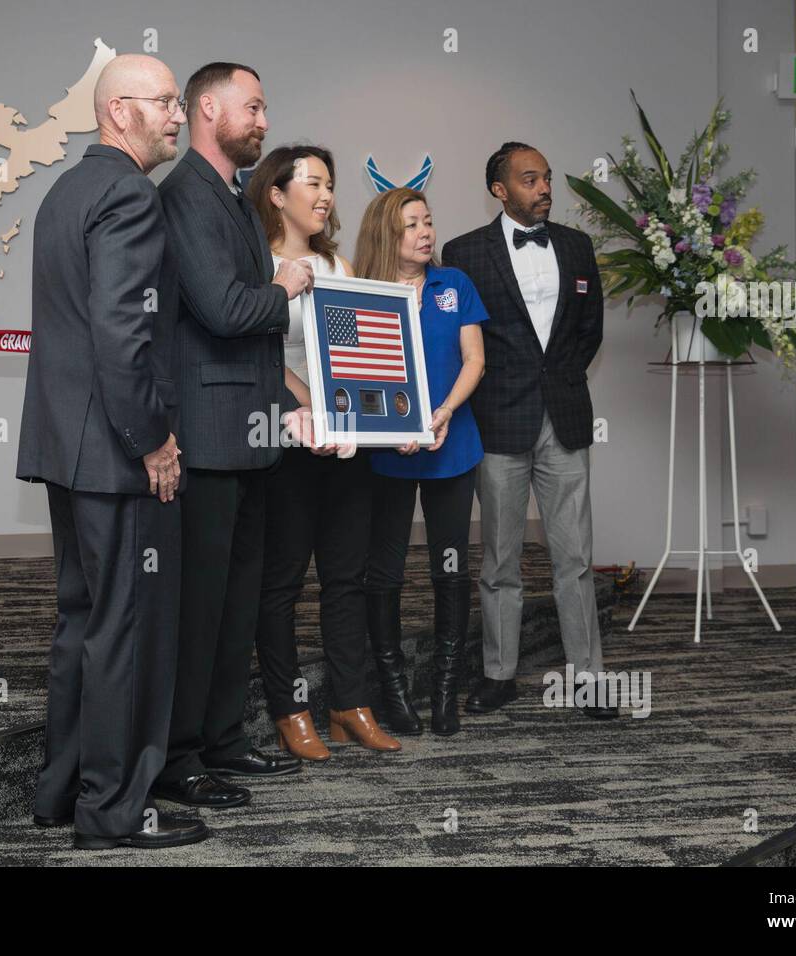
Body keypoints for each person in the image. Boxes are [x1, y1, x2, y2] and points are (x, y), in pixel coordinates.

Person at [14, 54, 207, 850]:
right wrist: (155, 440)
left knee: (83, 624)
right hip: (120, 455)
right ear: (118, 110)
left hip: (71, 451)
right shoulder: (129, 193)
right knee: (124, 632)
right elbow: (122, 336)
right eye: (163, 102)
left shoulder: (67, 189)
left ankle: (62, 790)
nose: (178, 115)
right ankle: (115, 811)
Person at [152, 63, 316, 809]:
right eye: (252, 107)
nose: (262, 119)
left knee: (236, 605)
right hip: (210, 439)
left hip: (250, 436)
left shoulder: (235, 199)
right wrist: (283, 287)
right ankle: (179, 758)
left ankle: (224, 740)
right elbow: (221, 309)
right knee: (201, 609)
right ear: (206, 107)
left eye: (264, 107)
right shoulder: (184, 193)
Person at [440, 142, 615, 719]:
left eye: (546, 179)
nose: (544, 188)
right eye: (529, 179)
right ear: (500, 189)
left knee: (576, 558)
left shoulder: (576, 245)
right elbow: (463, 340)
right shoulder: (462, 252)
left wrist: (559, 377)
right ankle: (498, 674)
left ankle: (588, 678)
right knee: (499, 561)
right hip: (496, 422)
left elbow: (589, 331)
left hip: (563, 417)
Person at [247, 145, 401, 761]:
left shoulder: (339, 264)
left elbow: (362, 358)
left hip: (346, 444)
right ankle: (290, 710)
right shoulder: (258, 264)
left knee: (347, 578)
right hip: (287, 441)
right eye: (312, 182)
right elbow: (261, 353)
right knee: (281, 583)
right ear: (277, 193)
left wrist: (393, 409)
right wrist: (312, 404)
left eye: (331, 184)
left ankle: (349, 702)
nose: (326, 194)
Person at [357, 187, 487, 737]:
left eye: (429, 221)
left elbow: (474, 358)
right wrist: (394, 427)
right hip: (385, 455)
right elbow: (355, 376)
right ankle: (392, 691)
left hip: (450, 448)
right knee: (384, 574)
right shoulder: (363, 294)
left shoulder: (453, 285)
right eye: (412, 224)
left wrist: (444, 413)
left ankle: (443, 692)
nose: (425, 232)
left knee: (449, 570)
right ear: (389, 233)